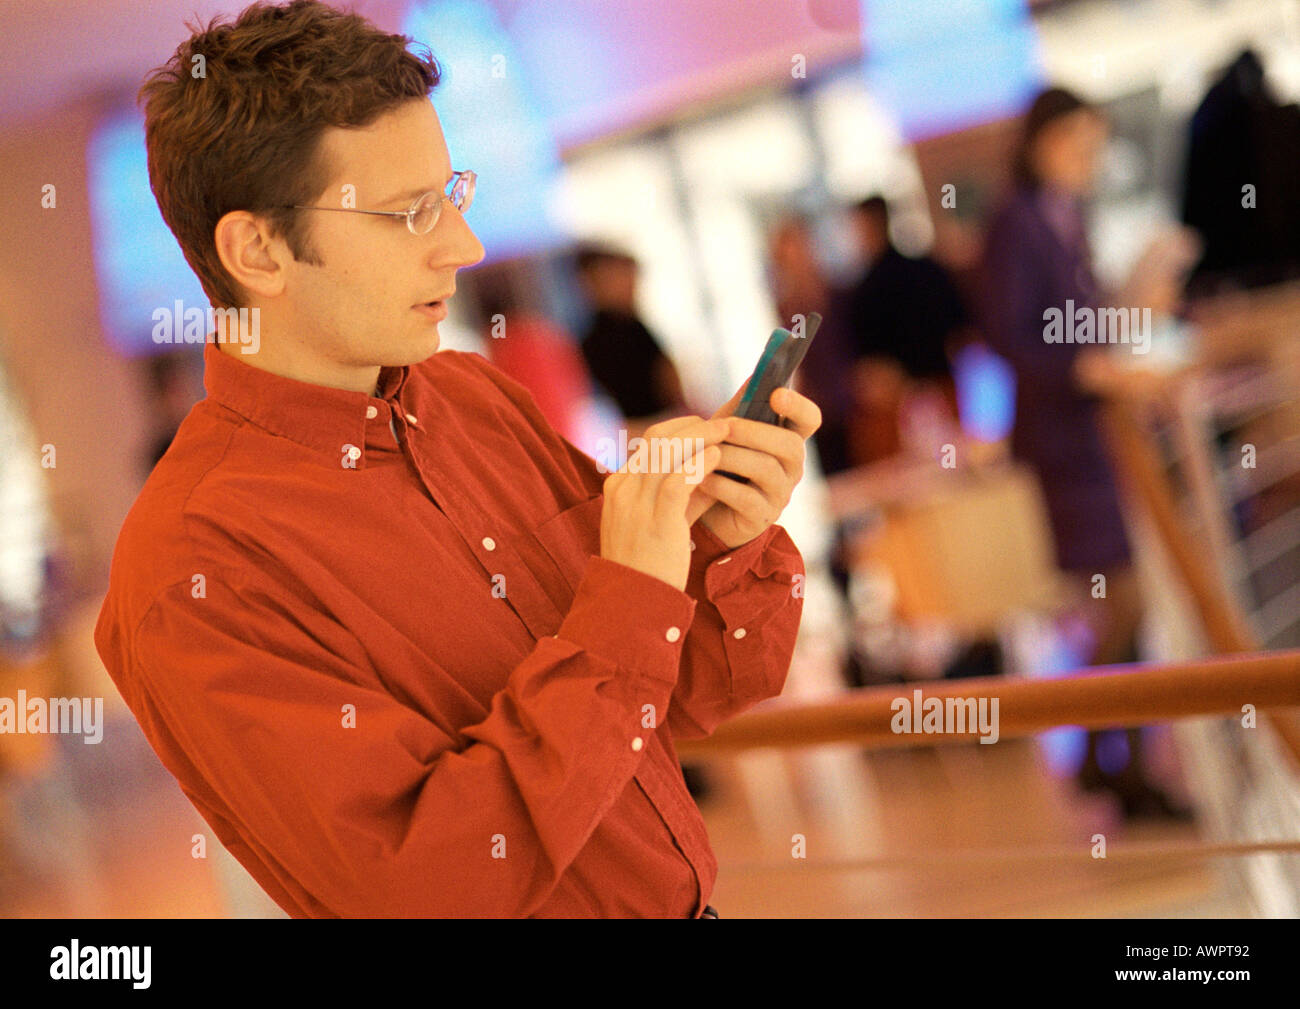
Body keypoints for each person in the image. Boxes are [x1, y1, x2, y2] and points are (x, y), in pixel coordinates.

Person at [94, 0, 821, 918]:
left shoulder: (471, 400)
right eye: (408, 214)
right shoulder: (195, 567)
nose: (464, 247)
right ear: (259, 249)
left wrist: (718, 540)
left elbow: (686, 694)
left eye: (453, 194)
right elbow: (434, 882)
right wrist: (630, 593)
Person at [980, 86, 1193, 820]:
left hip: (1090, 434)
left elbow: (1077, 325)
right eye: (1080, 143)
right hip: (1063, 442)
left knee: (1123, 606)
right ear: (1045, 141)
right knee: (1120, 601)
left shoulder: (1063, 217)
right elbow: (1012, 337)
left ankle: (1114, 761)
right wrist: (1086, 368)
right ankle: (1111, 760)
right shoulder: (1019, 222)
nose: (1090, 159)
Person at [840, 196, 972, 464]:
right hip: (941, 386)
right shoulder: (927, 270)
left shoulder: (866, 290)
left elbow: (868, 367)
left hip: (900, 402)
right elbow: (961, 328)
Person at [574, 243, 689, 439]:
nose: (632, 284)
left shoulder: (633, 326)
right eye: (621, 276)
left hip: (656, 429)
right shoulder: (605, 337)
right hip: (648, 432)